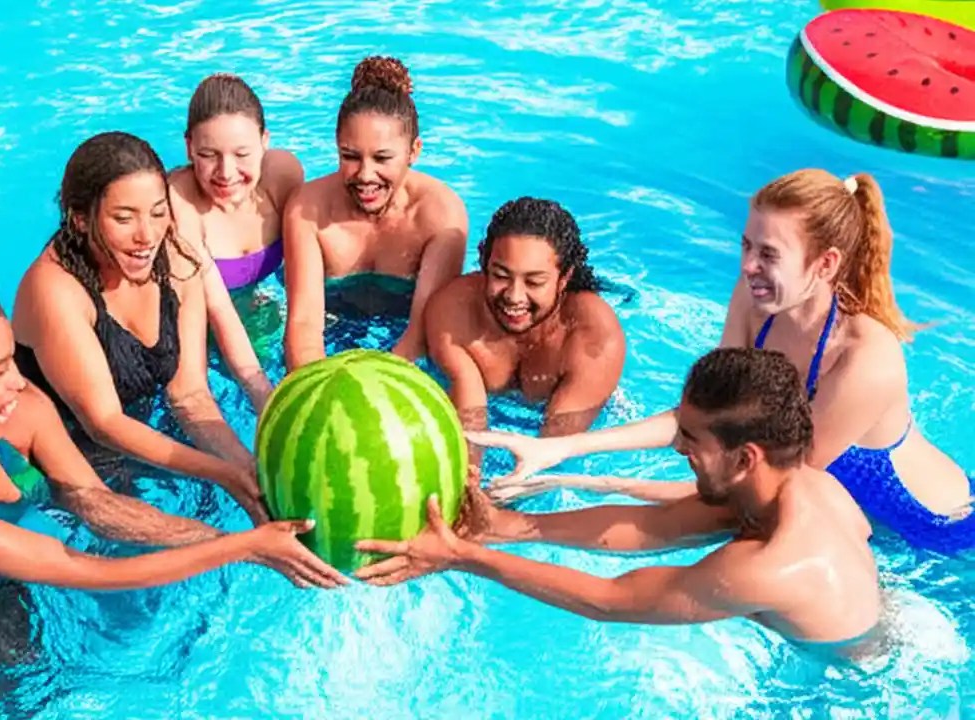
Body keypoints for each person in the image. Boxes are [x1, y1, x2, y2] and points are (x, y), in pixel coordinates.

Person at [0, 276, 346, 675]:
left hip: (20, 588)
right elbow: (84, 570)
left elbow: (93, 500)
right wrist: (245, 547)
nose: (18, 380)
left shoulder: (18, 408)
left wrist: (223, 528)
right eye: (0, 369)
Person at [473, 169, 975, 554]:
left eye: (769, 255)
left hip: (937, 534)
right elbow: (700, 418)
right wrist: (561, 451)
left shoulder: (866, 359)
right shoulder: (757, 301)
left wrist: (586, 482)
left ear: (825, 264)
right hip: (842, 516)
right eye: (746, 246)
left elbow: (758, 490)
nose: (749, 266)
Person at [356, 347, 883, 657]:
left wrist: (464, 557)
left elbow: (609, 601)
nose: (677, 447)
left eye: (692, 439)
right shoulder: (791, 484)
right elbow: (654, 527)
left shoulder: (772, 565)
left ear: (745, 457)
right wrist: (501, 525)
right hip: (880, 623)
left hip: (849, 681)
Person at [11, 131, 266, 523]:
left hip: (132, 421)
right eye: (123, 218)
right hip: (54, 447)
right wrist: (221, 472)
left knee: (220, 507)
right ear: (80, 219)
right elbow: (104, 425)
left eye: (158, 212)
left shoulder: (177, 261)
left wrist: (248, 471)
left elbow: (190, 394)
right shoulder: (55, 291)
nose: (147, 236)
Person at [282, 55, 468, 370]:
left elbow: (420, 334)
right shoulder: (307, 209)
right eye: (350, 156)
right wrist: (317, 388)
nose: (365, 174)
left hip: (406, 329)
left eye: (382, 158)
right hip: (335, 318)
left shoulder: (440, 216)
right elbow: (304, 325)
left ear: (414, 151)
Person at [425, 196, 625, 455]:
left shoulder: (594, 337)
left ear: (564, 279)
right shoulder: (453, 311)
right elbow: (470, 410)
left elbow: (551, 449)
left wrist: (506, 492)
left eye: (534, 282)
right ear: (484, 263)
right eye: (501, 276)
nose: (513, 296)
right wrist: (469, 480)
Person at [169, 73, 305, 413]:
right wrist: (264, 398)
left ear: (264, 142)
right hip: (201, 324)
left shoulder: (282, 175)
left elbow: (301, 266)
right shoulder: (179, 202)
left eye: (242, 154)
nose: (226, 172)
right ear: (188, 149)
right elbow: (216, 306)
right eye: (208, 154)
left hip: (259, 306)